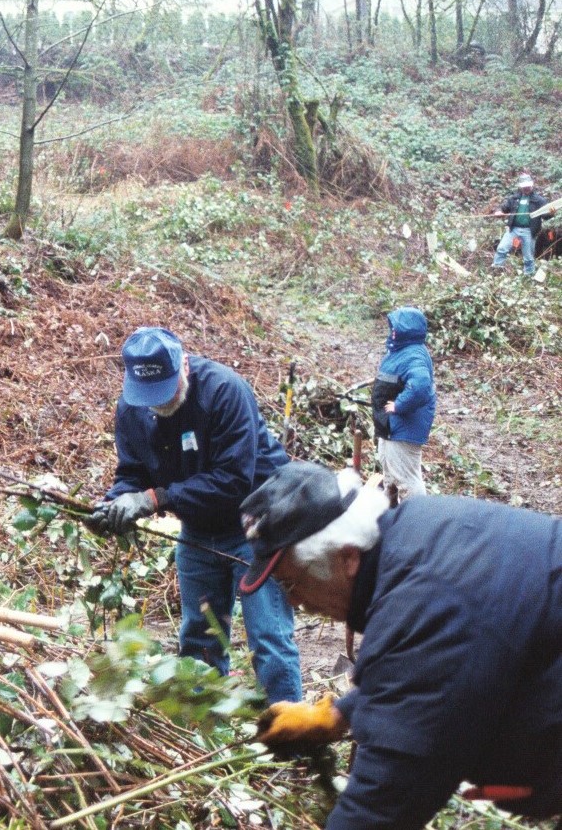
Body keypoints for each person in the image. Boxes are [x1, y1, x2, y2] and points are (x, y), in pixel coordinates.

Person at [239, 461, 562, 829]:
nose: (295, 604)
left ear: (346, 556)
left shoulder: (425, 602)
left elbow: (383, 805)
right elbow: (437, 670)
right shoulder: (415, 534)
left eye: (292, 584)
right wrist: (342, 713)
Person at [95, 327, 302, 704]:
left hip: (258, 524)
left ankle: (291, 732)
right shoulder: (132, 408)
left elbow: (233, 480)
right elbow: (132, 472)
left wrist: (156, 498)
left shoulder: (225, 391)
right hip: (198, 527)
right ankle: (203, 726)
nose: (158, 405)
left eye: (166, 392)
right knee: (198, 634)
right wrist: (114, 504)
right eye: (149, 397)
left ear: (184, 366)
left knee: (268, 637)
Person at [369, 307, 435, 504]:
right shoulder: (401, 350)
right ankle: (391, 515)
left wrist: (398, 406)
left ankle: (416, 523)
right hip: (391, 427)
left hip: (401, 428)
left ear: (407, 330)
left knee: (407, 481)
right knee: (391, 477)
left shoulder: (413, 355)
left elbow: (421, 387)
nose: (392, 332)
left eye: (395, 328)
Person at [491, 173, 551, 276]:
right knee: (502, 248)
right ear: (520, 187)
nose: (526, 189)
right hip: (513, 229)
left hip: (529, 231)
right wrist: (499, 212)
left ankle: (528, 275)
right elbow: (503, 208)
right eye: (524, 187)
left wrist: (551, 212)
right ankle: (496, 269)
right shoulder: (514, 198)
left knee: (528, 256)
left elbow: (546, 216)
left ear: (531, 186)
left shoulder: (539, 200)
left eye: (528, 186)